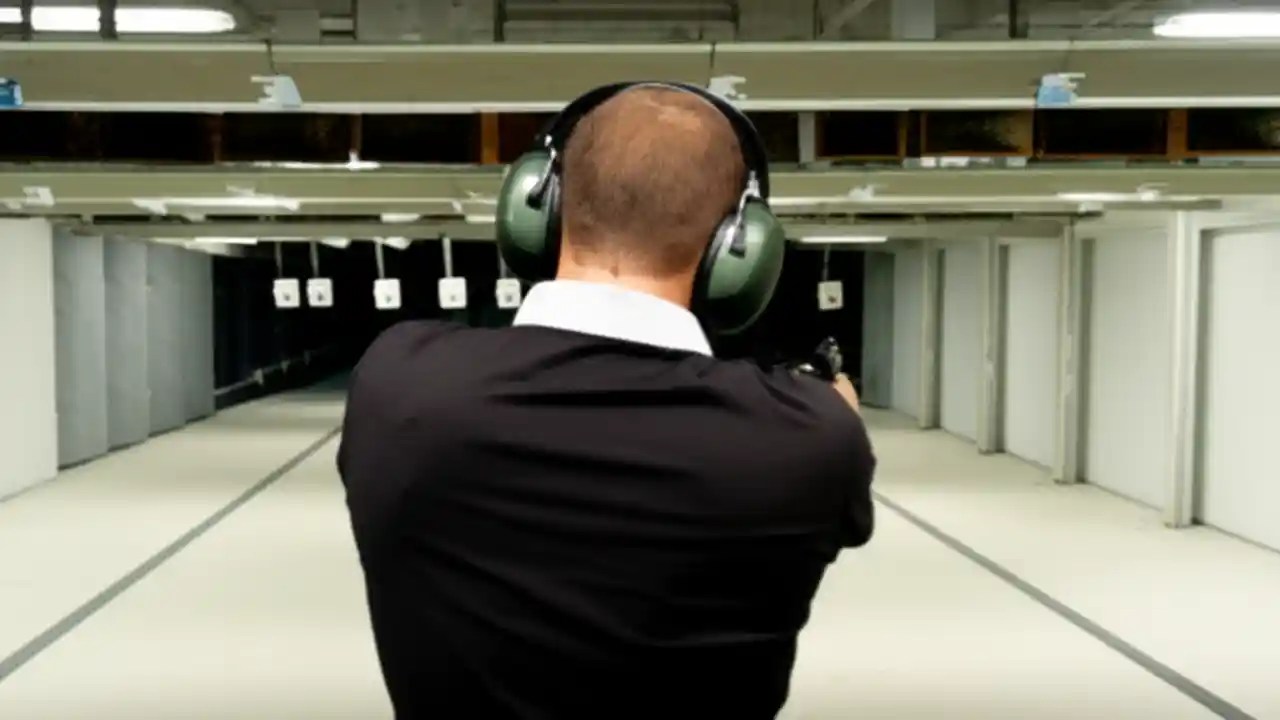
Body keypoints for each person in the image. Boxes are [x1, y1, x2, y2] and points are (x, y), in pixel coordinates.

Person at [337, 83, 876, 720]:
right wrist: (828, 407)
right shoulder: (811, 441)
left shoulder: (398, 383)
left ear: (536, 210)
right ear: (740, 248)